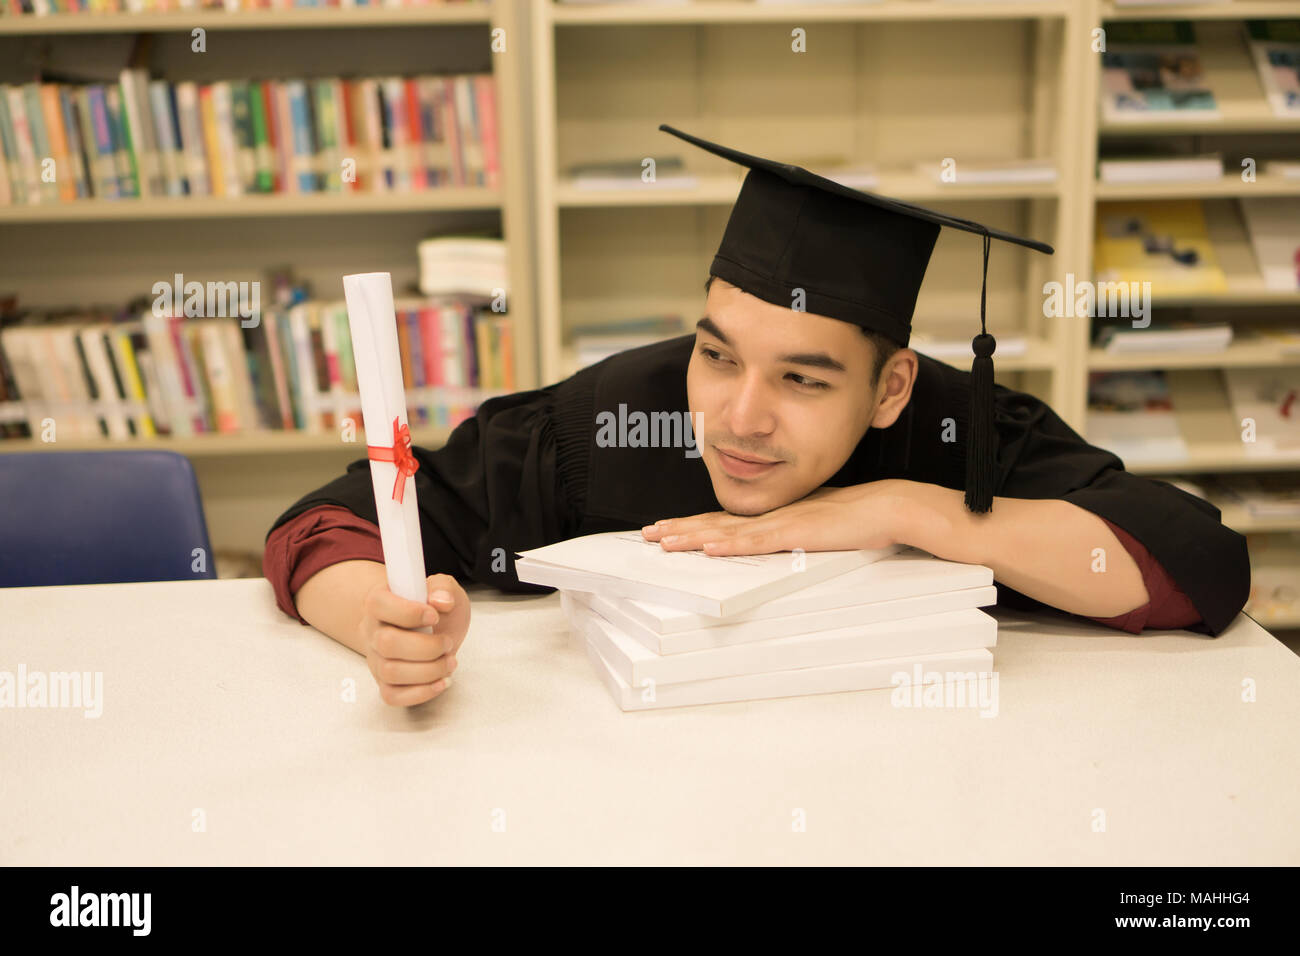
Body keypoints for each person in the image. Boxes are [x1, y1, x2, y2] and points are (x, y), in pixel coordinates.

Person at [264, 126, 1250, 707]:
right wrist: (379, 622)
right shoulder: (614, 417)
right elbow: (338, 516)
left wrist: (904, 509)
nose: (738, 417)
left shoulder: (963, 434)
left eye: (805, 380)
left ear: (891, 388)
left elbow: (1190, 565)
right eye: (717, 353)